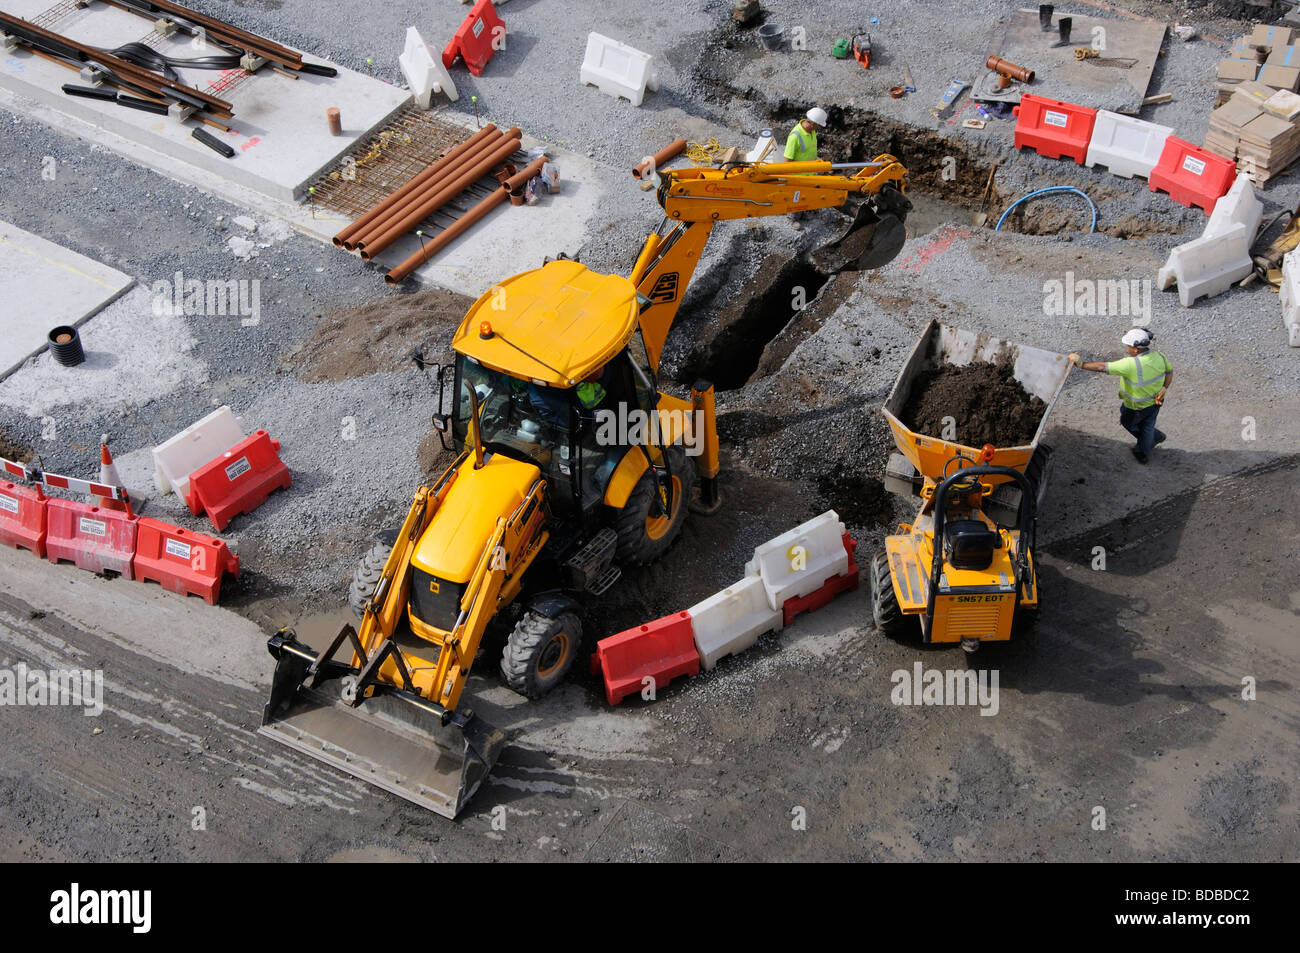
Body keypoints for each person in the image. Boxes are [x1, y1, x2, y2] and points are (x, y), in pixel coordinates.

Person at [1069, 328, 1173, 464]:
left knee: (1128, 422)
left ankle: (1143, 451)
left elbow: (1102, 367)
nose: (1126, 348)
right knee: (1147, 424)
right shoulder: (1160, 356)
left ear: (1136, 349)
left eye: (1128, 346)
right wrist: (1165, 388)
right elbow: (1169, 373)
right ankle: (1152, 437)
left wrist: (1081, 364)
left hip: (1137, 407)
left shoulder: (1130, 364)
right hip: (1156, 402)